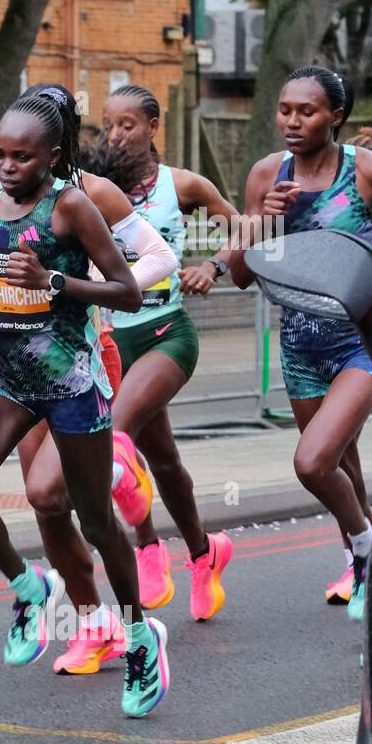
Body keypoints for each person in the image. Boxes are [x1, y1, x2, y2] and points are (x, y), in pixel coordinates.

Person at [0, 93, 171, 719]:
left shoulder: (73, 205)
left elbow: (126, 291)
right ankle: (29, 587)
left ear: (53, 155)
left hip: (72, 375)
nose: (9, 166)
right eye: (0, 154)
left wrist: (54, 282)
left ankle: (137, 636)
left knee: (97, 522)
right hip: (8, 370)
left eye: (23, 156)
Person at [226, 67, 372, 620]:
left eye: (307, 111)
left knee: (312, 463)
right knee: (340, 462)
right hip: (299, 346)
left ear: (335, 117)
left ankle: (368, 546)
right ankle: (365, 560)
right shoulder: (266, 174)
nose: (292, 121)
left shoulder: (369, 170)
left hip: (365, 341)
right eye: (285, 109)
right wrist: (264, 221)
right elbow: (242, 275)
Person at [4, 84, 178, 676]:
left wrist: (79, 287)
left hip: (80, 353)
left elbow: (159, 261)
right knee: (47, 508)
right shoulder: (0, 191)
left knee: (58, 495)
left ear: (58, 141)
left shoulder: (91, 192)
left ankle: (119, 476)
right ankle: (92, 623)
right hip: (16, 360)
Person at [74, 84, 240, 621]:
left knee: (117, 434)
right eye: (107, 125)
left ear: (152, 127)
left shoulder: (182, 184)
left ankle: (146, 548)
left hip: (168, 332)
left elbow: (246, 229)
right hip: (110, 340)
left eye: (127, 124)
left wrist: (211, 266)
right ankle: (202, 553)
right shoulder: (94, 191)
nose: (115, 135)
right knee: (162, 459)